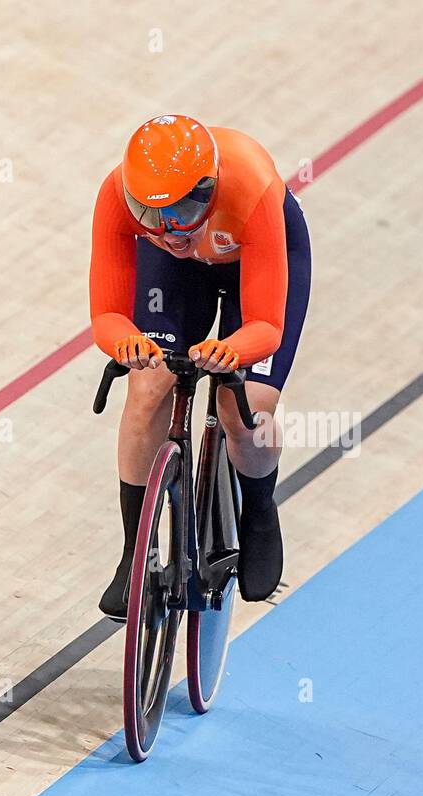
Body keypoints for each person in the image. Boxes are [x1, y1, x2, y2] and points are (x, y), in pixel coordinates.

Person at [89, 114, 311, 620]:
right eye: (150, 213)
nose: (169, 230)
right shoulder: (120, 199)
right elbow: (106, 314)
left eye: (186, 208)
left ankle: (258, 507)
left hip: (255, 261)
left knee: (243, 408)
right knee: (147, 390)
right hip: (180, 277)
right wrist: (127, 345)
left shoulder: (250, 187)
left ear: (210, 186)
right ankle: (134, 554)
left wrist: (232, 351)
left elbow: (265, 327)